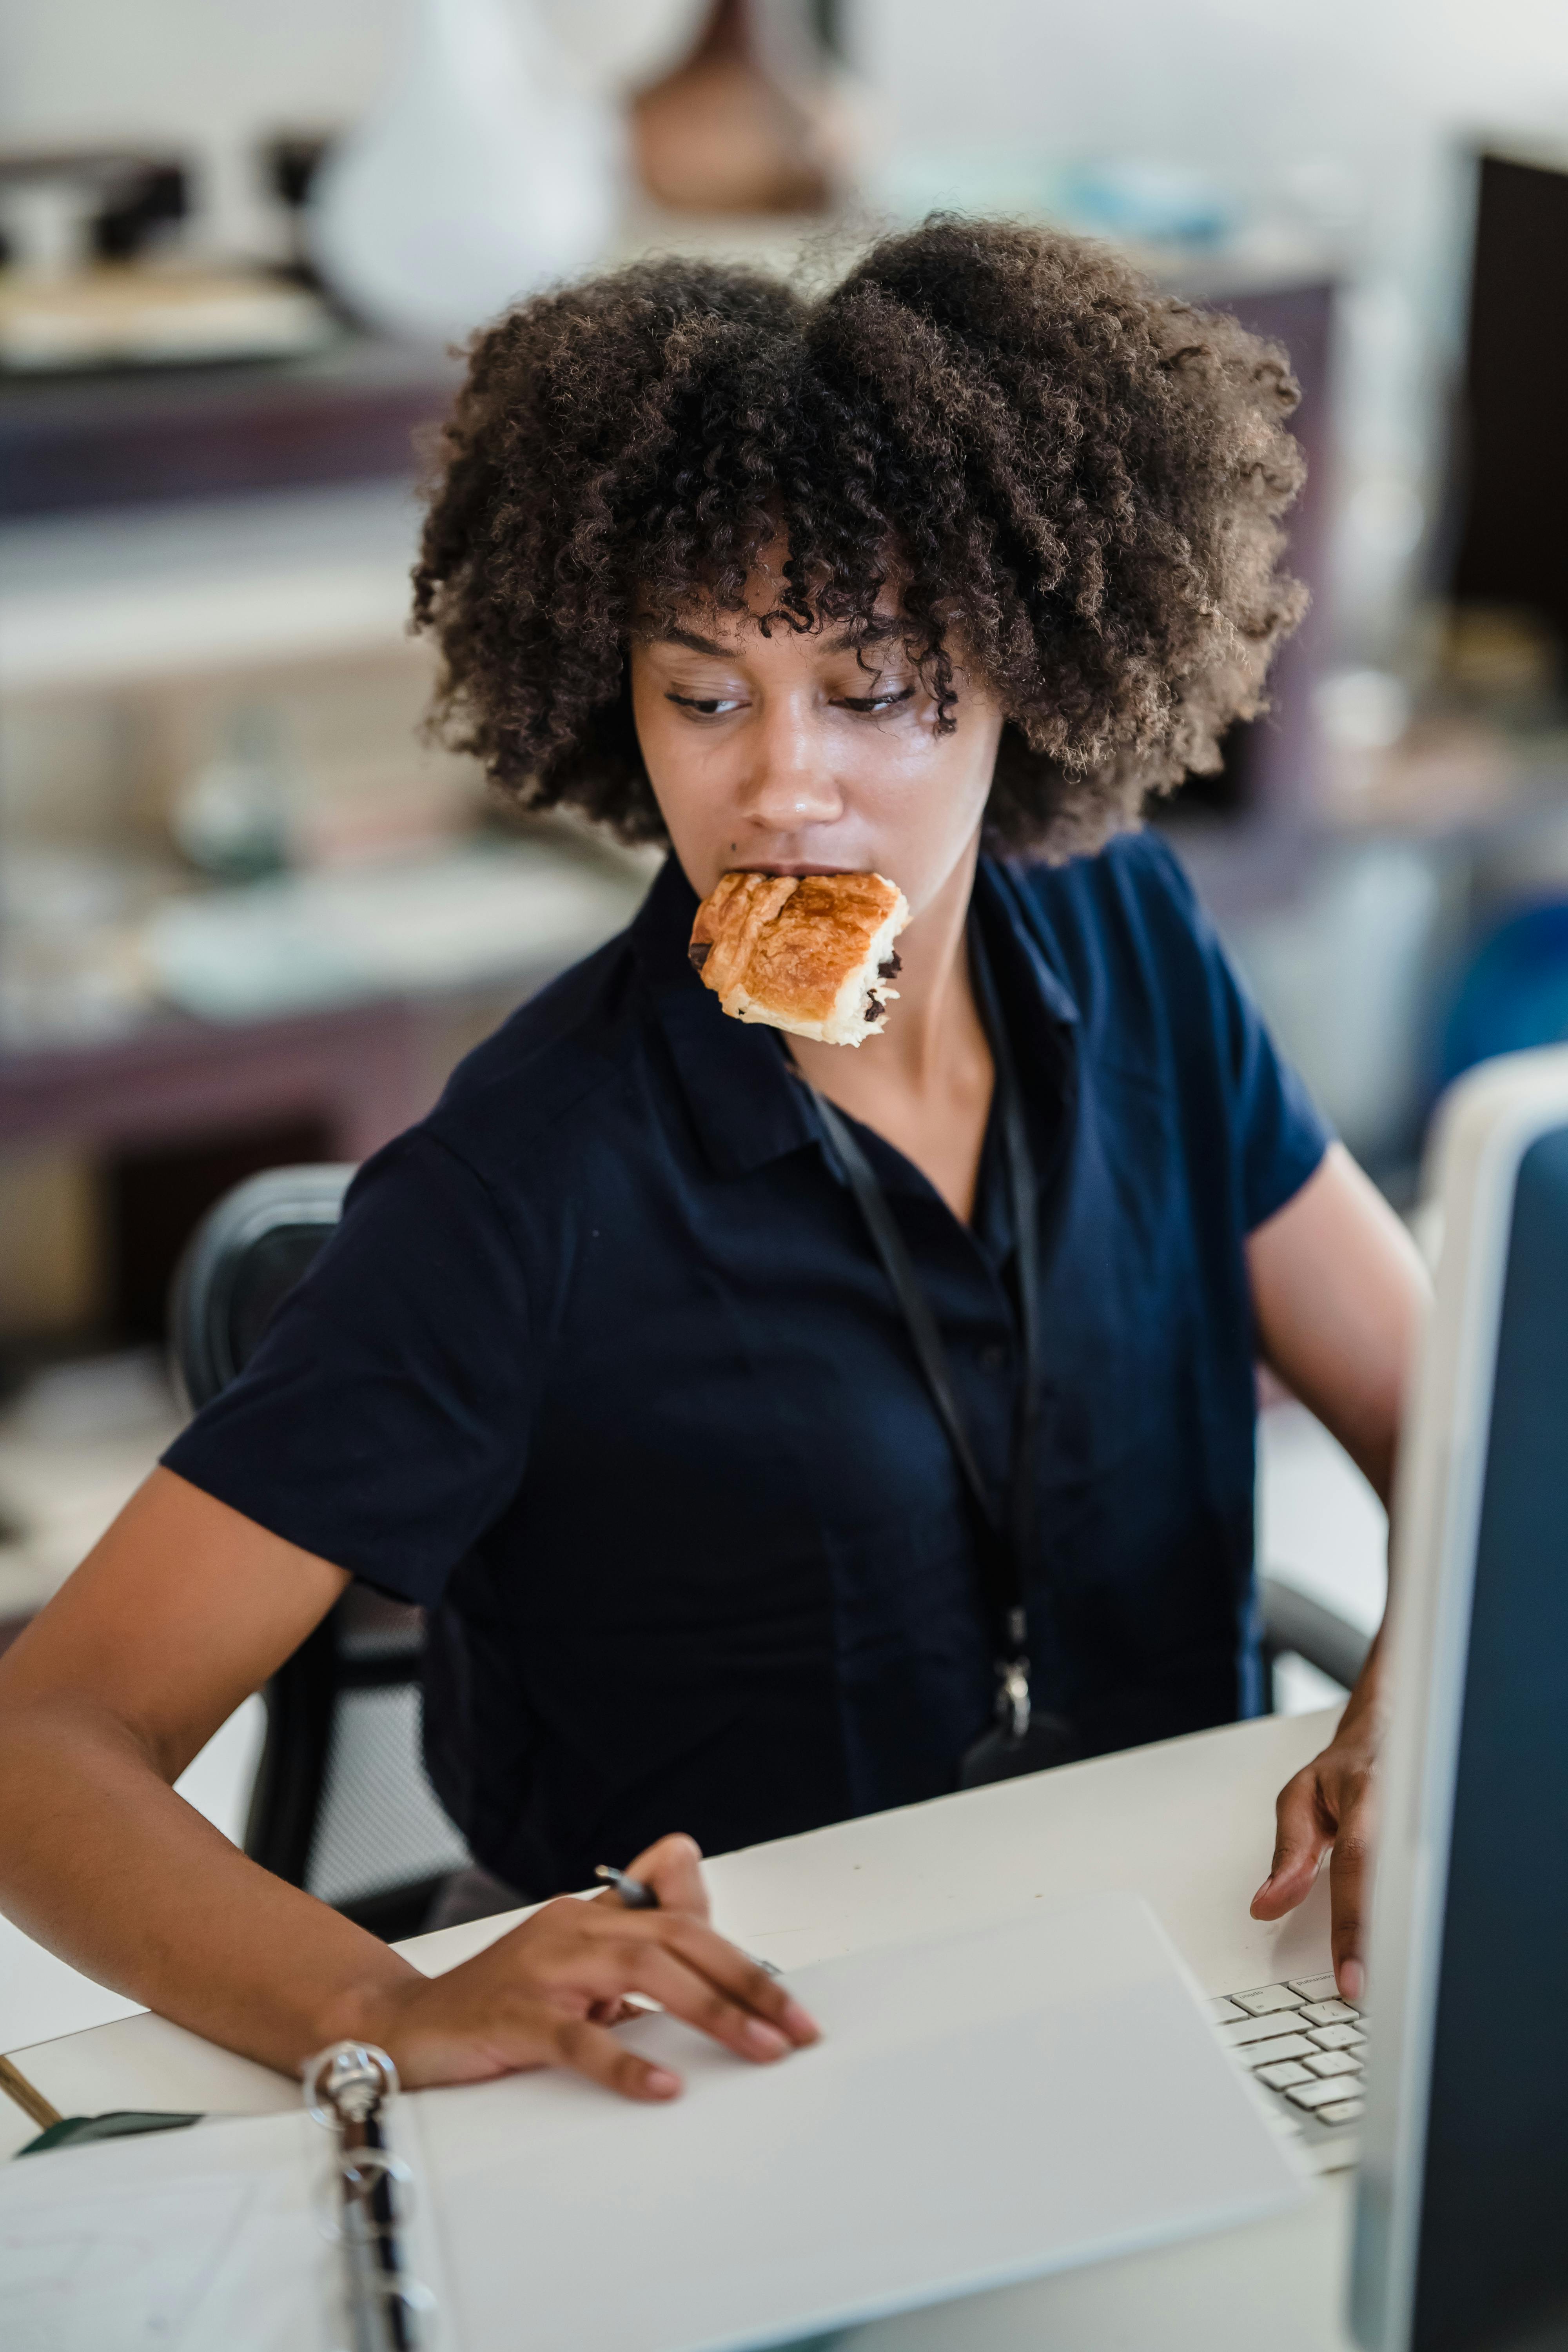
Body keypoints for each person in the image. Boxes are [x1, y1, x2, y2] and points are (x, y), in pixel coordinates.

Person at [0, 217, 1426, 2100]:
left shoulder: (1129, 937)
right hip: (747, 2052)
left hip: (1189, 1947)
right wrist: (382, 2008)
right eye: (706, 693)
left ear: (1030, 670)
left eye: (876, 686)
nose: (780, 787)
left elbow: (1459, 1418)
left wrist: (1422, 1695)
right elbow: (46, 1742)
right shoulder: (521, 1183)